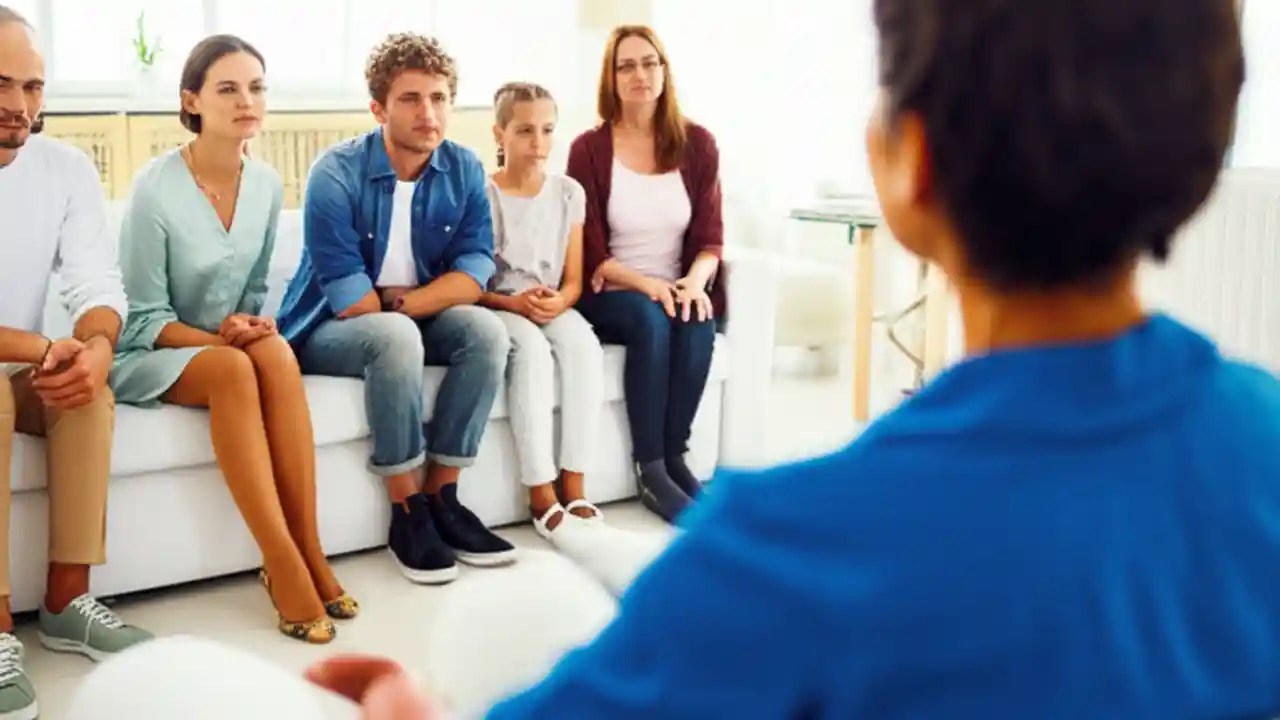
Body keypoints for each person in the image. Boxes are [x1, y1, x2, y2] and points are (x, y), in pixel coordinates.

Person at [60, 0, 1280, 716]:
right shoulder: (1262, 437)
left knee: (154, 694)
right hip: (355, 330)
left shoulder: (784, 553)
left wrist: (398, 702)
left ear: (903, 171)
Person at [112, 35, 355, 644]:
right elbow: (141, 318)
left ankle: (310, 547)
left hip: (218, 346)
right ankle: (280, 560)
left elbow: (247, 295)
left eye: (256, 87)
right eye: (228, 88)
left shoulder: (269, 185)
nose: (247, 100)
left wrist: (246, 326)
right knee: (232, 370)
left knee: (273, 350)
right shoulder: (154, 189)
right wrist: (221, 344)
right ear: (191, 101)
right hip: (151, 352)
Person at [275, 32, 515, 586]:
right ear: (378, 107)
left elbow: (475, 269)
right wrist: (409, 305)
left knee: (485, 331)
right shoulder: (335, 173)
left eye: (439, 97)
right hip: (329, 328)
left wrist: (408, 300)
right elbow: (353, 299)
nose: (428, 113)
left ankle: (443, 497)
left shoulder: (464, 169)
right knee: (393, 336)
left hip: (414, 315)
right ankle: (406, 511)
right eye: (410, 99)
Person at [0, 6, 152, 719]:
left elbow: (97, 283)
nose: (18, 108)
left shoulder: (60, 167)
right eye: (0, 84)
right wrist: (40, 348)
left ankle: (66, 600)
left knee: (88, 389)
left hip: (18, 366)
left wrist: (92, 347)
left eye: (32, 87)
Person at [479, 82, 666, 595]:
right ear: (500, 133)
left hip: (552, 301)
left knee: (582, 347)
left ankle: (574, 484)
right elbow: (475, 280)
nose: (537, 141)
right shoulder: (485, 191)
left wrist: (562, 301)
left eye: (545, 130)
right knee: (534, 356)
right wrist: (513, 304)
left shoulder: (568, 193)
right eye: (524, 131)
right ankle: (540, 492)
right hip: (503, 305)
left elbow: (575, 278)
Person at [566, 25, 724, 523]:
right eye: (627, 65)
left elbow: (710, 237)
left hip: (673, 285)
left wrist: (694, 281)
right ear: (611, 79)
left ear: (664, 72)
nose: (640, 74)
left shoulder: (697, 143)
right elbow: (587, 251)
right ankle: (650, 468)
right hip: (611, 287)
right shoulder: (589, 149)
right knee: (651, 319)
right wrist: (646, 284)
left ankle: (676, 456)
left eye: (649, 63)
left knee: (698, 316)